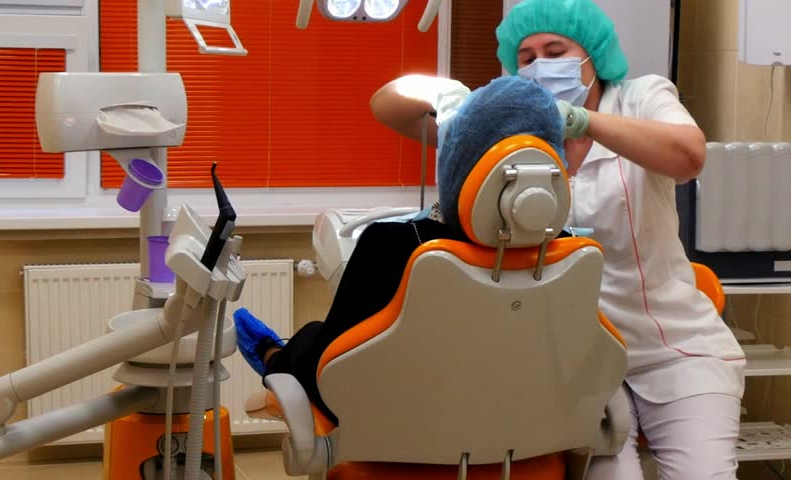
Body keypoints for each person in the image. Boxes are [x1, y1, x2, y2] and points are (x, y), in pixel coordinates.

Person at [495, 1, 742, 478]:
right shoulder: (520, 131)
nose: (540, 64)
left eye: (555, 49)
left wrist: (586, 122)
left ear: (592, 54)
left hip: (675, 347)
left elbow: (689, 156)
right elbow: (395, 109)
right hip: (577, 358)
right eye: (526, 57)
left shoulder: (642, 98)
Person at [234, 74, 566, 425]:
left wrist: (278, 357)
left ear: (457, 157)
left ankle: (272, 354)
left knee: (315, 339)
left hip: (400, 435)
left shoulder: (394, 246)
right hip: (518, 441)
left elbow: (329, 372)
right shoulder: (573, 258)